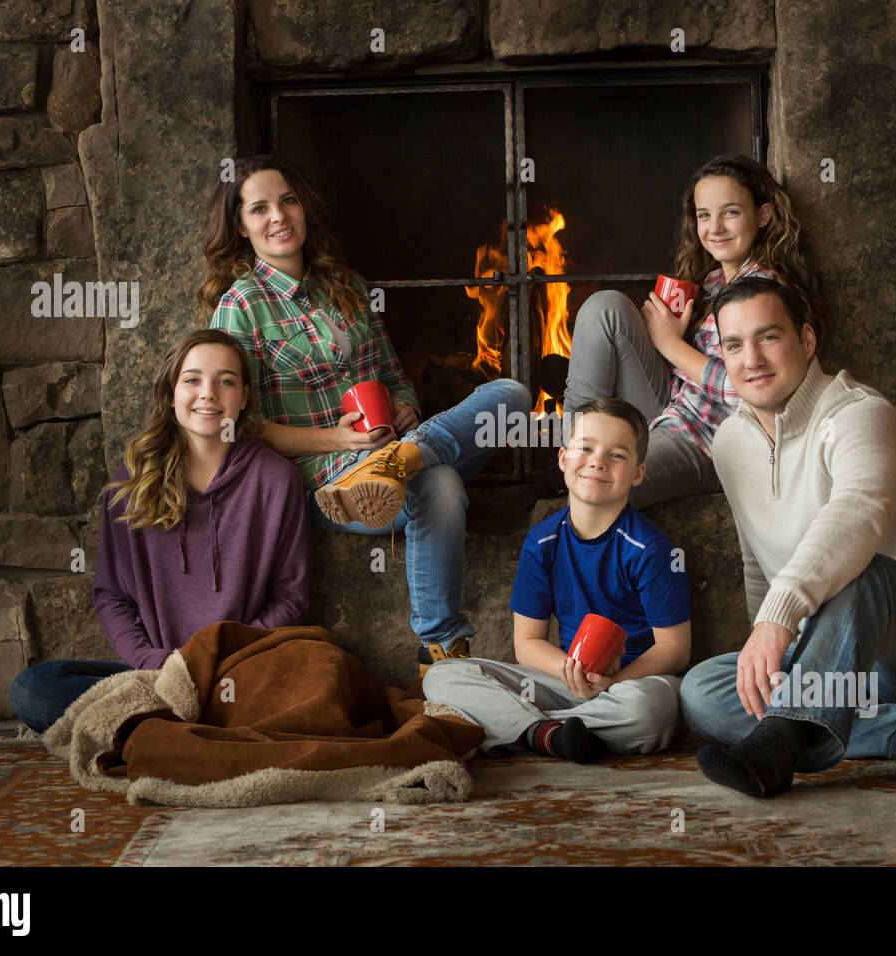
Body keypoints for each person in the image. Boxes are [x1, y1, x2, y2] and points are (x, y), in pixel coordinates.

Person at [680, 277, 896, 799]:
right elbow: (755, 560)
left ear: (807, 341)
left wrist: (778, 619)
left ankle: (778, 744)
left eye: (768, 337)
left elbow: (856, 516)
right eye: (733, 345)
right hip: (840, 663)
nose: (751, 359)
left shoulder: (861, 415)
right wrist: (766, 647)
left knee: (863, 571)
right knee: (701, 692)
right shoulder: (729, 443)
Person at [200, 155, 531, 678]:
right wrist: (337, 439)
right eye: (259, 208)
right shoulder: (240, 308)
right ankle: (442, 656)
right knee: (439, 484)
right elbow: (240, 428)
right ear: (241, 226)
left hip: (388, 453)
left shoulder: (347, 286)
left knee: (511, 393)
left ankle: (403, 458)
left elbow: (394, 375)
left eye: (287, 201)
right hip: (329, 483)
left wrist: (404, 409)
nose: (279, 216)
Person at [9, 329, 313, 732]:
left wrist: (219, 662)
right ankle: (191, 726)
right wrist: (160, 665)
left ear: (243, 398)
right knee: (34, 688)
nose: (208, 393)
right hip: (156, 674)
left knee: (314, 678)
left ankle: (160, 729)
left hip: (240, 671)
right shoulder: (132, 483)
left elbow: (290, 597)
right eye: (192, 380)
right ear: (171, 394)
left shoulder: (277, 480)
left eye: (226, 381)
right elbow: (113, 597)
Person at [423, 398, 690, 762]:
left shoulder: (649, 547)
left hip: (630, 684)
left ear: (637, 474)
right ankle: (548, 734)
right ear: (563, 458)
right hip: (563, 679)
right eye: (586, 448)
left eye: (617, 455)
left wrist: (615, 681)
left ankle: (523, 728)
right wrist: (570, 673)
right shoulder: (542, 541)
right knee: (442, 676)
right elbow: (527, 643)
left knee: (652, 711)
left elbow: (674, 648)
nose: (598, 461)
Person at [558, 153, 820, 509]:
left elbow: (747, 391)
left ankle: (577, 471)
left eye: (730, 212)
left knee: (609, 484)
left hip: (709, 441)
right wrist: (672, 336)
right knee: (607, 308)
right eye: (704, 215)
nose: (715, 228)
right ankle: (572, 446)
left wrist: (668, 343)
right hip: (674, 408)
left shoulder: (764, 290)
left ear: (762, 215)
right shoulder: (713, 281)